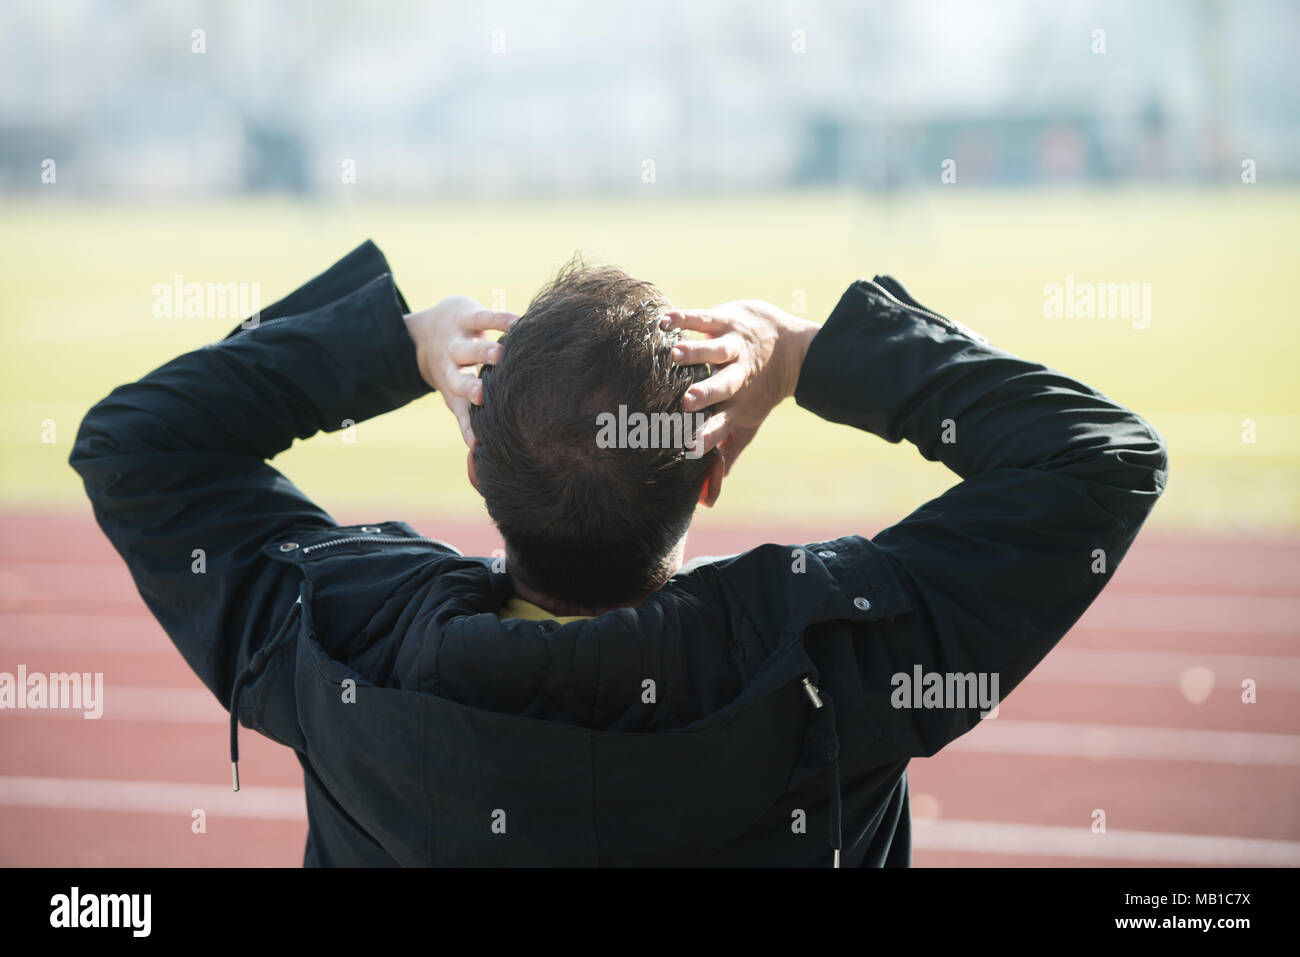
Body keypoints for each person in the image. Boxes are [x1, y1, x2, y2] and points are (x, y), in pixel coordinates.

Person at [70, 240, 1167, 866]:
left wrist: (393, 345)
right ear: (711, 473)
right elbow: (1099, 459)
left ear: (476, 476)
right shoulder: (838, 653)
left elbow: (138, 441)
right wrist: (806, 356)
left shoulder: (336, 638)